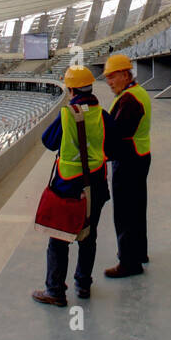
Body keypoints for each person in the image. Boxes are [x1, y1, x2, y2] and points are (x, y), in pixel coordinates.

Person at [29, 65, 110, 307]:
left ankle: (55, 291)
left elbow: (49, 141)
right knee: (89, 235)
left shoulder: (68, 113)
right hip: (96, 185)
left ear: (71, 89)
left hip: (68, 187)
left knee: (59, 238)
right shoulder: (101, 114)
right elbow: (112, 147)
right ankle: (83, 284)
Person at [100, 53, 151, 278]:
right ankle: (139, 253)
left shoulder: (129, 99)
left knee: (125, 212)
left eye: (112, 77)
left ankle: (129, 262)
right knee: (137, 208)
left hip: (129, 160)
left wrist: (100, 154)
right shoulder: (136, 93)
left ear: (124, 74)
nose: (109, 82)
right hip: (140, 156)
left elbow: (118, 136)